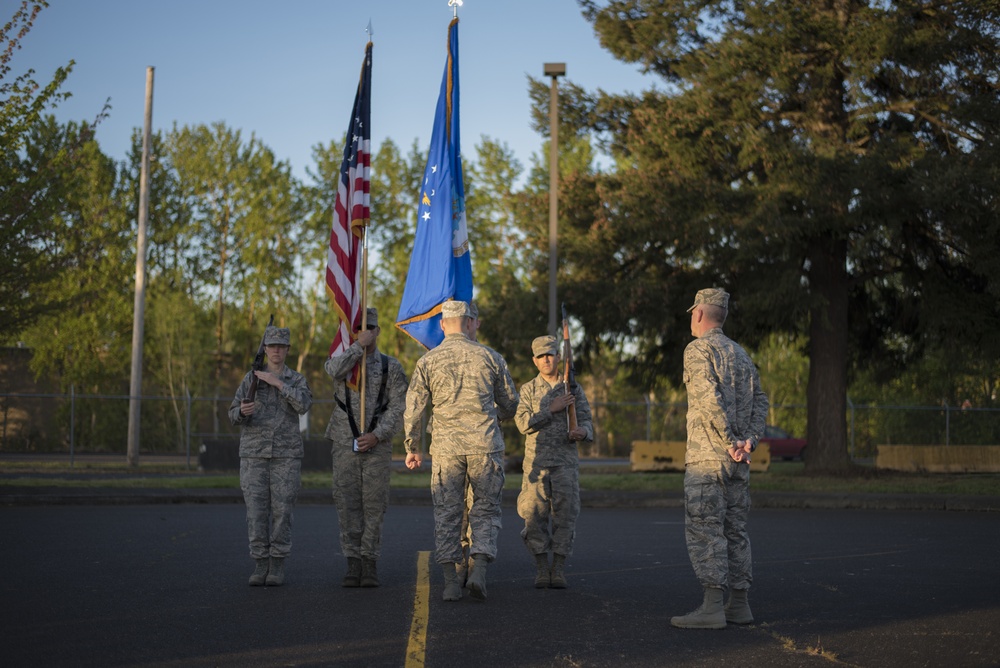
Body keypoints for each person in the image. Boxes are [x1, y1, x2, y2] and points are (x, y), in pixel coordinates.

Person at [402, 300, 519, 602]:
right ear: (469, 323)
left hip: (446, 449)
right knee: (486, 509)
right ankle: (479, 569)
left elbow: (413, 409)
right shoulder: (490, 357)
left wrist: (413, 446)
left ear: (442, 324)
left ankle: (451, 581)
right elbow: (510, 404)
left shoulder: (428, 361)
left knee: (447, 513)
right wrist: (495, 416)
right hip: (485, 446)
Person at [671, 288, 769, 629]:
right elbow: (761, 401)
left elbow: (708, 400)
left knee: (705, 529)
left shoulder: (698, 349)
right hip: (739, 462)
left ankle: (712, 608)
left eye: (691, 313)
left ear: (699, 313)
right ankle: (739, 606)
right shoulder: (740, 354)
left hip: (708, 460)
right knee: (736, 530)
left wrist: (729, 441)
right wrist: (749, 443)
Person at [324, 307, 408, 588]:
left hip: (377, 445)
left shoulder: (391, 366)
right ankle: (352, 562)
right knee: (347, 502)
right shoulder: (343, 360)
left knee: (374, 504)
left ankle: (369, 562)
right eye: (360, 327)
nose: (366, 332)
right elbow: (333, 371)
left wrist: (378, 434)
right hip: (344, 441)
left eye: (370, 328)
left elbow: (399, 407)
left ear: (378, 331)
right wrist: (355, 349)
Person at [228, 324, 313, 587]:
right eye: (271, 346)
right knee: (256, 511)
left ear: (287, 350)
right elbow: (232, 415)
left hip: (285, 456)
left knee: (282, 510)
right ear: (265, 350)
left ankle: (277, 563)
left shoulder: (296, 380)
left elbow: (304, 405)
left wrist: (278, 384)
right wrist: (242, 411)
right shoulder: (250, 378)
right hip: (253, 455)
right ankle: (259, 562)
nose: (276, 351)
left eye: (281, 346)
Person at [515, 334, 593, 589]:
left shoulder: (574, 388)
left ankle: (558, 568)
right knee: (533, 516)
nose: (546, 359)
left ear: (559, 357)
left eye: (550, 354)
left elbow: (586, 421)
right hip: (536, 466)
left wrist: (583, 432)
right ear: (534, 361)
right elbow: (522, 424)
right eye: (541, 356)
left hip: (565, 463)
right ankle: (540, 568)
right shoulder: (528, 390)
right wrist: (551, 409)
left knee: (566, 516)